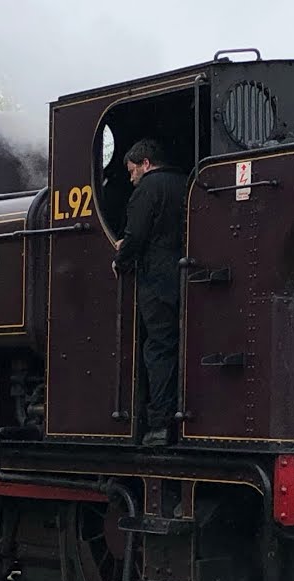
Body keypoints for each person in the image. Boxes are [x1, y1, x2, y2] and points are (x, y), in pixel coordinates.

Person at [112, 139, 187, 447]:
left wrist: (121, 258)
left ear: (145, 164)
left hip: (157, 278)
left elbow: (137, 233)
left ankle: (158, 425)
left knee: (157, 349)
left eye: (132, 172)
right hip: (186, 274)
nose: (130, 179)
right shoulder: (187, 183)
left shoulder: (149, 188)